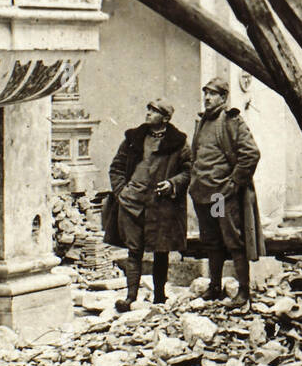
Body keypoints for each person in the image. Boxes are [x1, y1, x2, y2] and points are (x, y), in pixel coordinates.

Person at [102, 98, 190, 312]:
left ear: (166, 118)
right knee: (134, 251)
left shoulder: (178, 143)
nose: (148, 113)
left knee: (161, 250)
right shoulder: (134, 138)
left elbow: (189, 170)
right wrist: (122, 191)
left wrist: (172, 184)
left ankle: (159, 296)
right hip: (132, 203)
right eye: (148, 109)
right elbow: (116, 167)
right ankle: (130, 297)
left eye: (155, 110)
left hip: (161, 206)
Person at [190, 75, 262, 309]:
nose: (207, 98)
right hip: (203, 193)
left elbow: (250, 153)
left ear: (223, 97)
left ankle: (243, 291)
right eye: (206, 93)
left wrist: (233, 183)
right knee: (211, 242)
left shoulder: (231, 121)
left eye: (212, 94)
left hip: (220, 195)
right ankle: (215, 287)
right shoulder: (201, 122)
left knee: (232, 240)